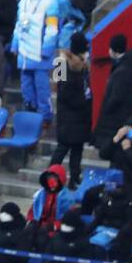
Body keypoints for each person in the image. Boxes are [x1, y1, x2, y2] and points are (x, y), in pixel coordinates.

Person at [10, 0, 58, 125]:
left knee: (42, 86)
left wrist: (47, 49)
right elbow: (18, 23)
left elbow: (52, 28)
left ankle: (45, 115)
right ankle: (30, 110)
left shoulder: (51, 1)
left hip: (39, 53)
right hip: (24, 50)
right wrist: (15, 44)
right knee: (26, 86)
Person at [50, 33, 92, 186]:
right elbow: (62, 90)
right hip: (69, 114)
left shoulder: (82, 65)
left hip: (78, 116)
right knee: (63, 147)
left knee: (77, 148)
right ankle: (51, 174)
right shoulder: (63, 63)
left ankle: (74, 177)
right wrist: (84, 102)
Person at [93, 33, 132, 148]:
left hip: (113, 119)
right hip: (118, 117)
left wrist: (106, 108)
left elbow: (116, 96)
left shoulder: (123, 70)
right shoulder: (127, 66)